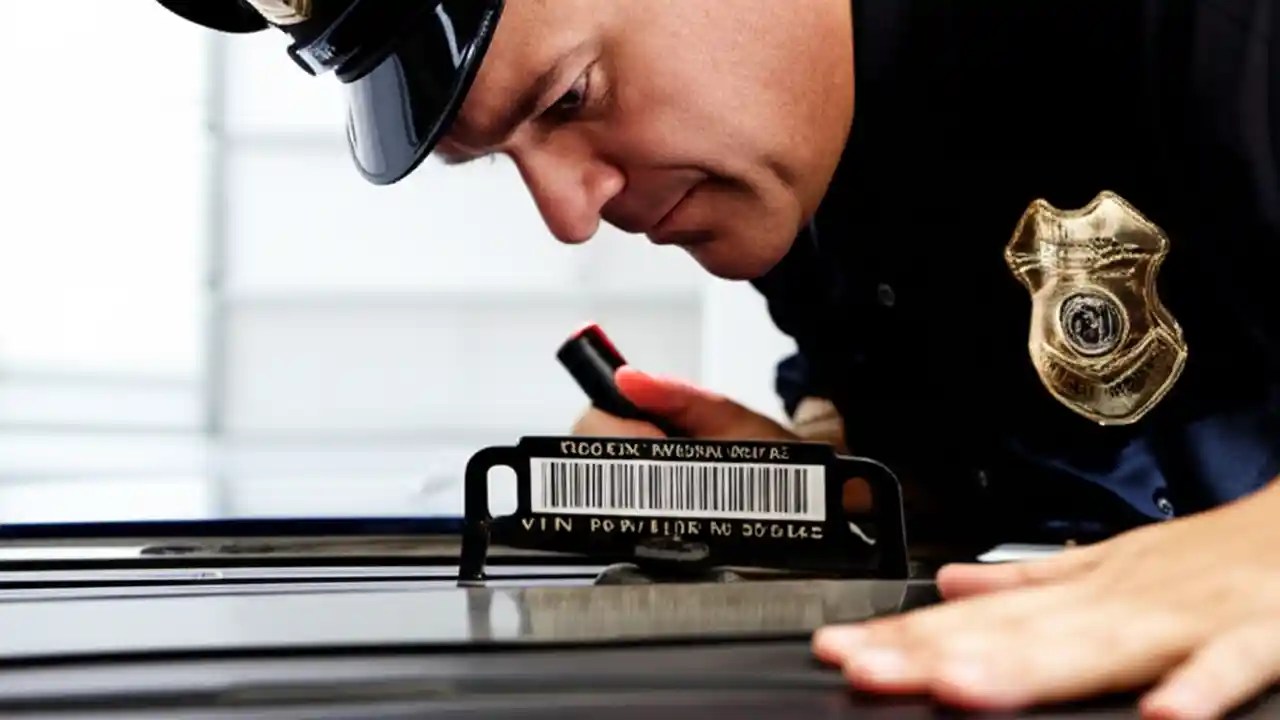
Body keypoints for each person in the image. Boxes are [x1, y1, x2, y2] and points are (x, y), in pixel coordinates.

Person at [155, 0, 1280, 716]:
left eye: (570, 99)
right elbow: (1062, 457)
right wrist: (830, 498)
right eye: (502, 159)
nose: (568, 215)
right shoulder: (813, 181)